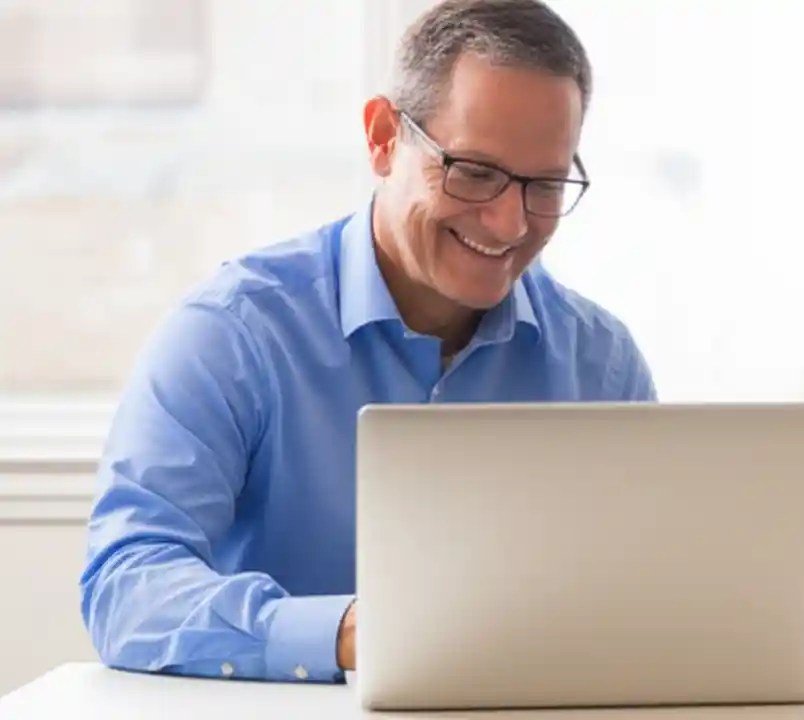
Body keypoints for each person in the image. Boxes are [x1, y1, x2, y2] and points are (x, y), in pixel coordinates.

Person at [80, 0, 655, 685]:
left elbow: (644, 596)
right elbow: (127, 587)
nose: (507, 223)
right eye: (474, 171)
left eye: (546, 185)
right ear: (384, 138)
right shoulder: (233, 333)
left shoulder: (603, 364)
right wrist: (351, 634)